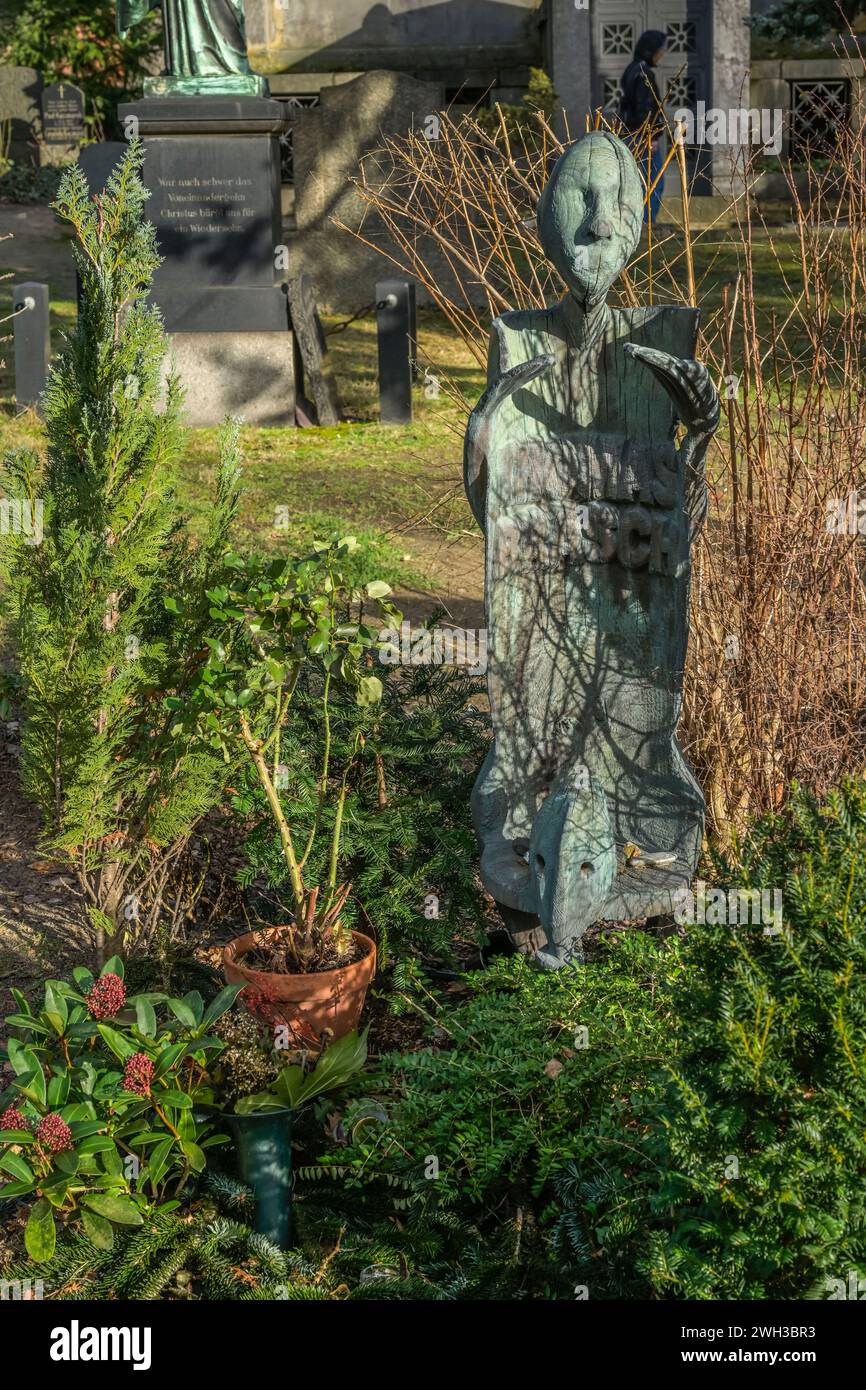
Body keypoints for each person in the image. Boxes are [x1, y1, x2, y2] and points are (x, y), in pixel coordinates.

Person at [618, 30, 668, 226]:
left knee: (637, 181)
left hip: (631, 134)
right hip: (642, 136)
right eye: (661, 48)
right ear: (650, 50)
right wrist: (651, 136)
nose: (662, 53)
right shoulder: (642, 73)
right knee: (654, 181)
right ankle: (646, 223)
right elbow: (645, 107)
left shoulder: (633, 69)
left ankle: (635, 223)